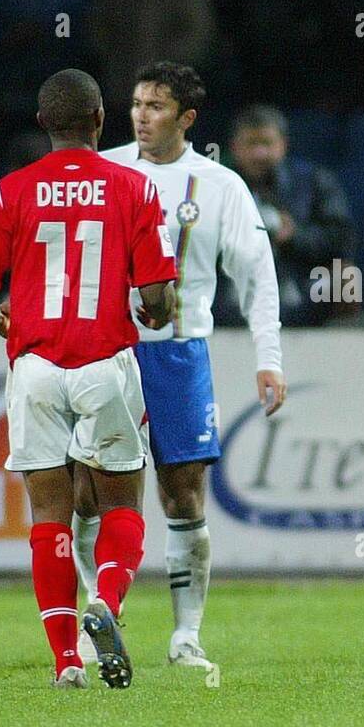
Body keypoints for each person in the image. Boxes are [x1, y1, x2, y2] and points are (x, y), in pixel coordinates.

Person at [0, 69, 177, 688]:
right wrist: (153, 311)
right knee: (121, 504)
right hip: (104, 364)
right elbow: (157, 293)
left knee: (48, 515)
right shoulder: (134, 187)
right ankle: (104, 601)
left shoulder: (8, 192)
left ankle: (65, 663)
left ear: (43, 123)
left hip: (36, 369)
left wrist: (0, 319)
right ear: (101, 120)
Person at [80, 62, 285, 670]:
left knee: (184, 495)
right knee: (91, 494)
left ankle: (184, 637)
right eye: (136, 103)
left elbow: (257, 276)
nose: (141, 115)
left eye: (156, 106)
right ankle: (96, 621)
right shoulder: (105, 170)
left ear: (186, 118)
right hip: (107, 350)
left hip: (179, 351)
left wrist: (267, 358)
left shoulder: (219, 185)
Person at [215, 104, 357, 327]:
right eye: (251, 144)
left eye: (267, 143)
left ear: (283, 145)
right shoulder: (214, 185)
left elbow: (342, 240)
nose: (259, 153)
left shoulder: (314, 182)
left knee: (346, 276)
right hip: (228, 290)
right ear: (234, 147)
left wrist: (293, 235)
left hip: (298, 287)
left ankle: (339, 350)